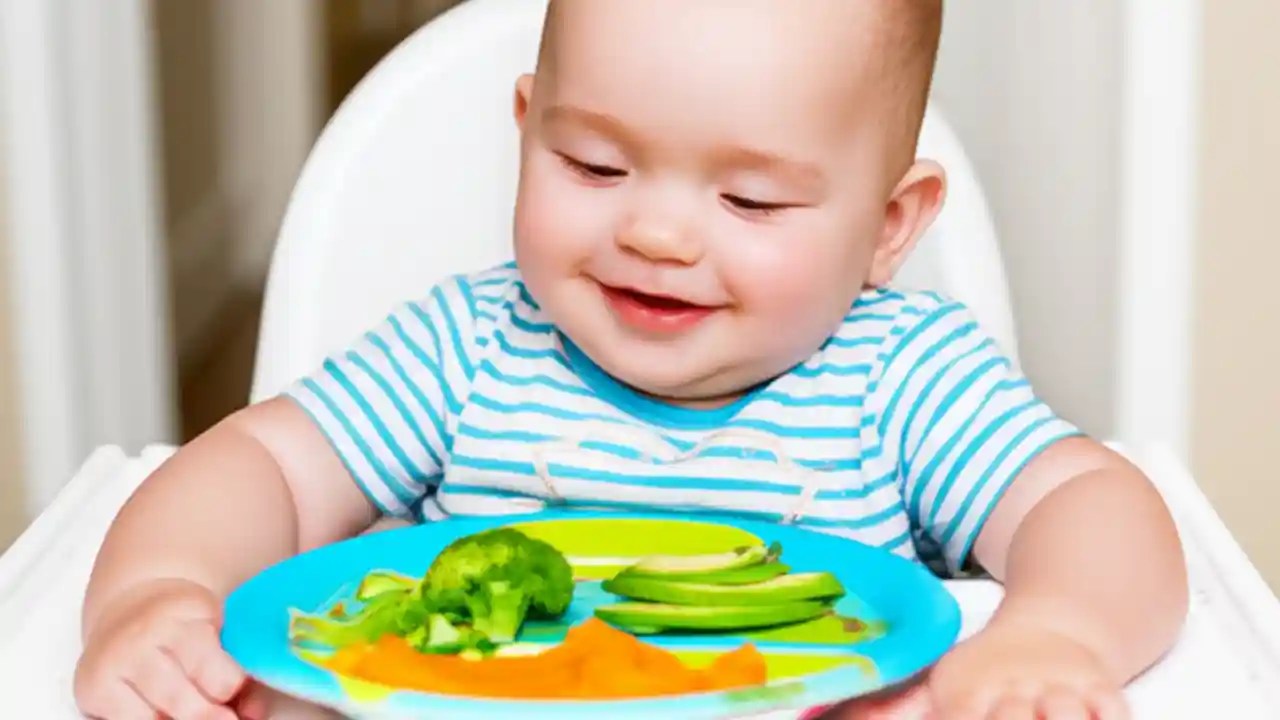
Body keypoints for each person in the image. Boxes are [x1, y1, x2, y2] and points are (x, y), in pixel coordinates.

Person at [74, 2, 1187, 718]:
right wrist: (157, 591)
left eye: (749, 198)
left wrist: (1056, 631)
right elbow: (260, 466)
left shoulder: (899, 378)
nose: (655, 236)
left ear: (889, 227)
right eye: (594, 166)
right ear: (526, 128)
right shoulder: (470, 347)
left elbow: (1088, 500)